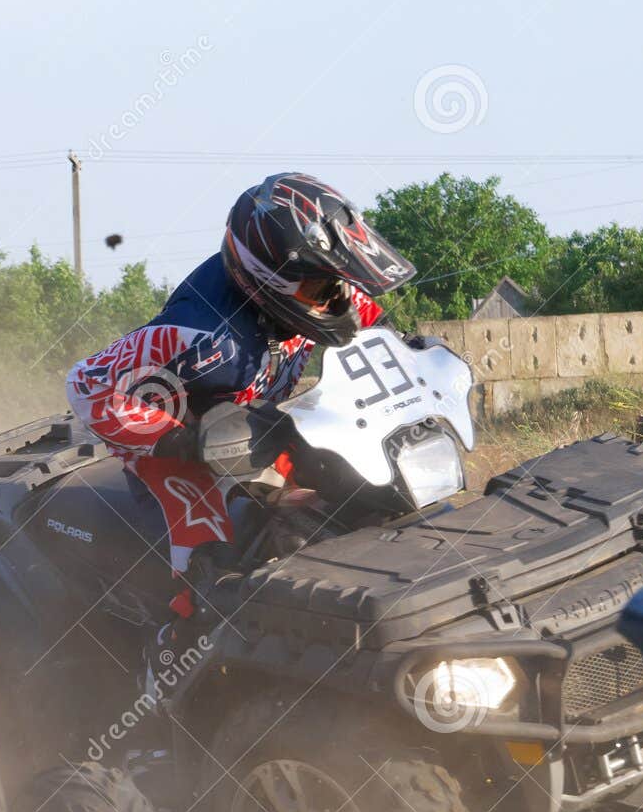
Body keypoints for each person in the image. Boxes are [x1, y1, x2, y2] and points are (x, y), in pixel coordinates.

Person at [64, 172, 415, 625]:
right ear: (270, 280)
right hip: (175, 449)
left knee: (344, 506)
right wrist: (179, 441)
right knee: (216, 562)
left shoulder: (323, 289)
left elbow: (370, 324)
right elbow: (87, 383)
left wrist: (406, 350)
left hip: (258, 427)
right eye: (320, 288)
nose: (337, 298)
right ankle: (174, 661)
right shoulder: (203, 337)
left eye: (338, 283)